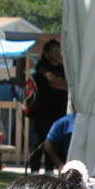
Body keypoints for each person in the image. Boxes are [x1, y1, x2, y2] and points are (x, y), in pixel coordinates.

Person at [27, 40, 68, 173]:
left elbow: (67, 84)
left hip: (58, 112)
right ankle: (34, 170)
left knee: (54, 142)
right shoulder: (42, 67)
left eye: (58, 50)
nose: (57, 53)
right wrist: (60, 84)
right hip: (42, 113)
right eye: (54, 50)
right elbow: (52, 80)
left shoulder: (62, 68)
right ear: (46, 53)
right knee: (38, 142)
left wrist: (62, 84)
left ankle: (50, 169)